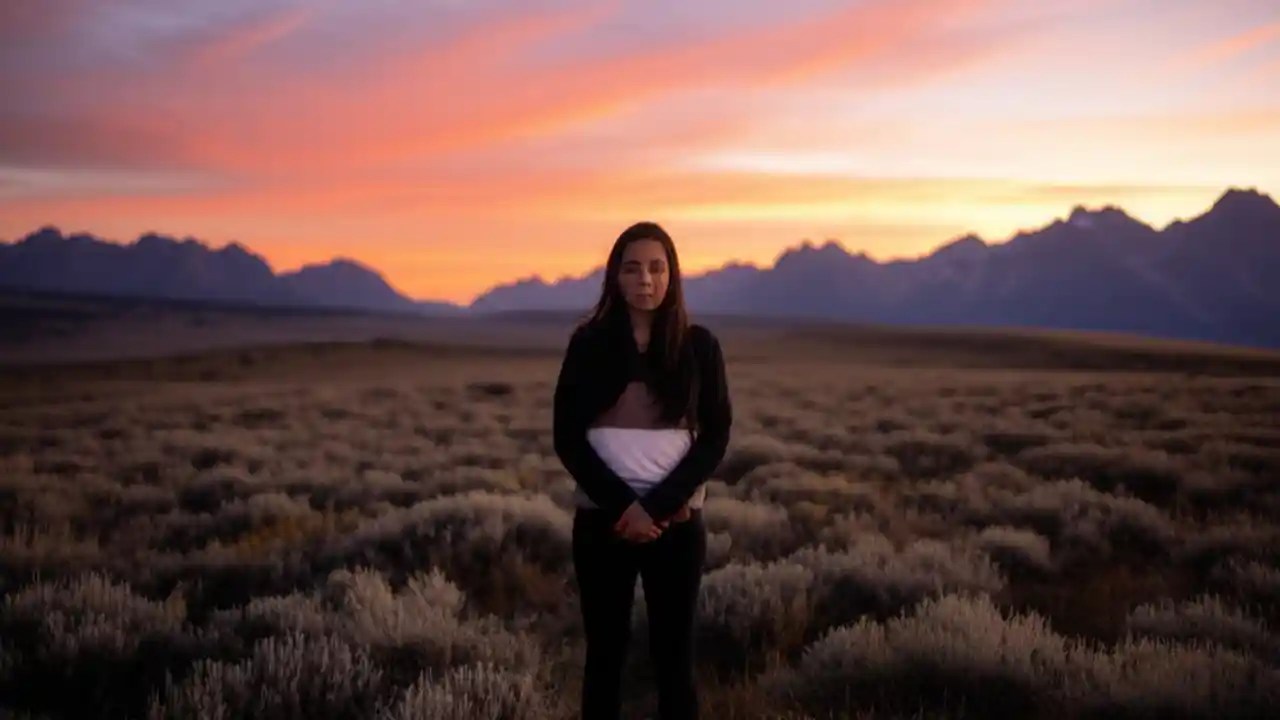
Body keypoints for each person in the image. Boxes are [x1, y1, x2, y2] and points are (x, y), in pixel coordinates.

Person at [553, 221, 732, 720]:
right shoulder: (589, 345)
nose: (645, 280)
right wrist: (624, 507)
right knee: (604, 657)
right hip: (602, 523)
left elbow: (715, 436)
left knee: (674, 660)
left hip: (675, 525)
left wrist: (653, 507)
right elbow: (567, 438)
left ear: (673, 275)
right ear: (615, 276)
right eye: (632, 269)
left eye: (657, 268)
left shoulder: (699, 347)